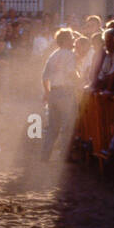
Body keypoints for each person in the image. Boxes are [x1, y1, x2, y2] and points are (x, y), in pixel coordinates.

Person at [40, 28, 79, 163]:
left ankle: (45, 156)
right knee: (67, 126)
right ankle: (64, 156)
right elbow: (71, 73)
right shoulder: (69, 54)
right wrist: (80, 81)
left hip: (54, 92)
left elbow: (45, 77)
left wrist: (47, 93)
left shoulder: (53, 55)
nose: (73, 40)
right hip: (66, 91)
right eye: (71, 38)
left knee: (53, 127)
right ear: (65, 41)